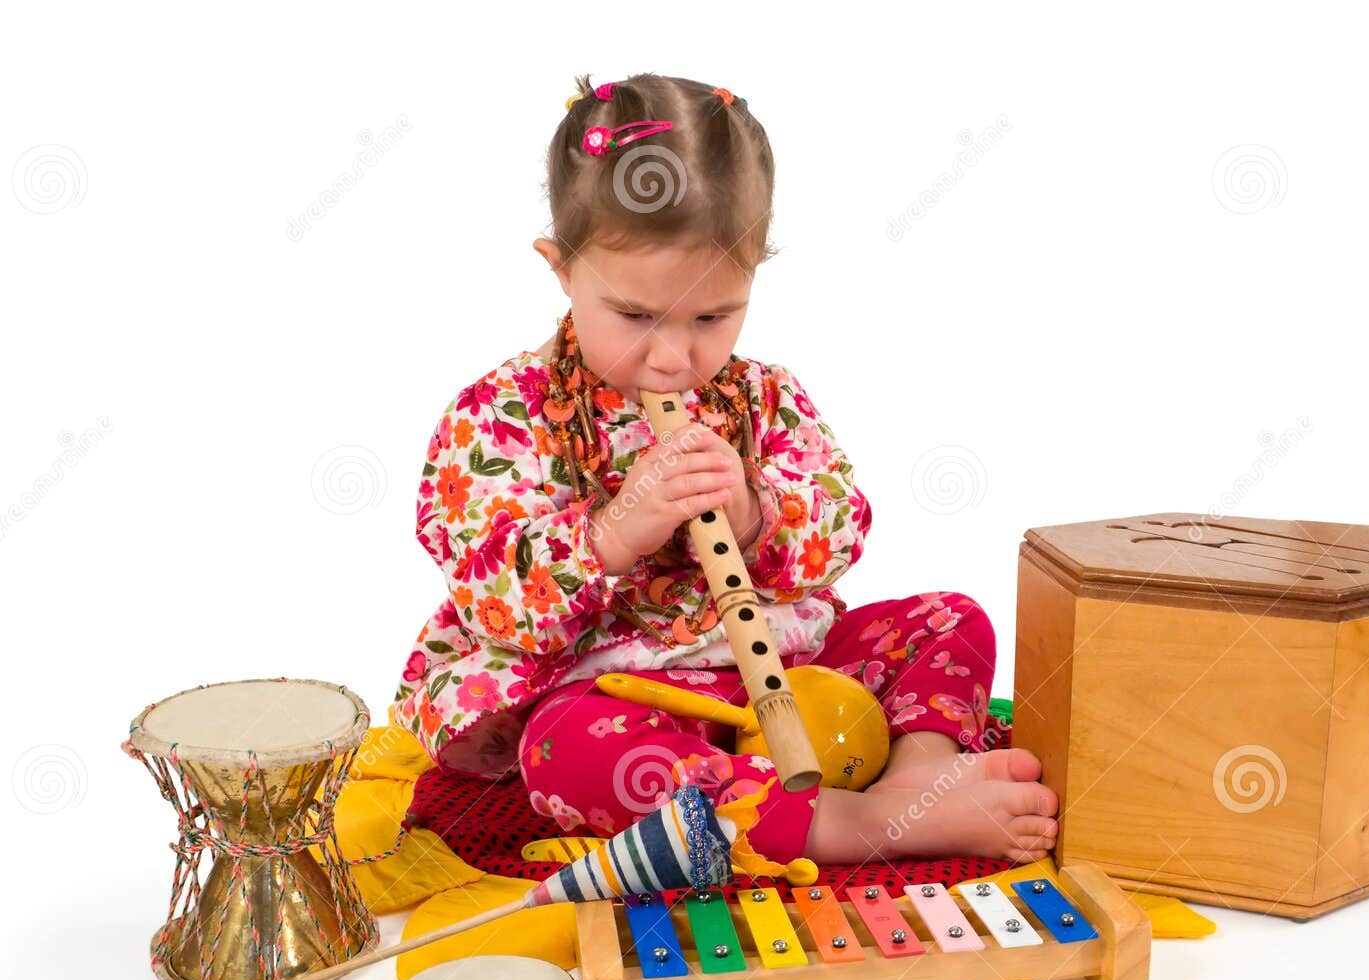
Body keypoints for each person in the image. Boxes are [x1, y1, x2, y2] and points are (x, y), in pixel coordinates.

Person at [392, 73, 1057, 868]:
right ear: (561, 269)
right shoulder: (500, 414)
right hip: (616, 697)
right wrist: (610, 534)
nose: (675, 356)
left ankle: (915, 779)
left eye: (713, 316)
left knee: (949, 617)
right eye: (635, 316)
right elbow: (490, 595)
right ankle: (838, 825)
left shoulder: (764, 396)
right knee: (564, 754)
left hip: (790, 678)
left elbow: (842, 523)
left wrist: (753, 515)